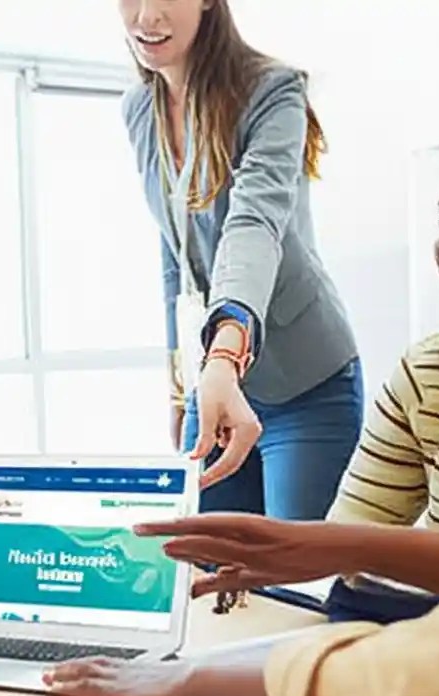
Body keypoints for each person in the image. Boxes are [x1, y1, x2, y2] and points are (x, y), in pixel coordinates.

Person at [44, 1, 439, 696]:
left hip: (292, 367)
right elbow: (180, 259)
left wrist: (210, 676)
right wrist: (190, 373)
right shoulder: (430, 371)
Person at [120, 0, 363, 519]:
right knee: (204, 573)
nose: (146, 17)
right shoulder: (139, 109)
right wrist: (182, 387)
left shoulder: (273, 90)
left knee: (293, 584)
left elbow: (254, 224)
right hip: (211, 381)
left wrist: (226, 356)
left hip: (306, 380)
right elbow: (175, 256)